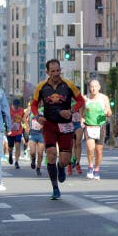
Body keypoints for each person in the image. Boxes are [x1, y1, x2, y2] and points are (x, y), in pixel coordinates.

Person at [30, 59, 86, 200]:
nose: (56, 73)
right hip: (49, 125)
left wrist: (71, 110)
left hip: (65, 126)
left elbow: (81, 101)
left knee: (64, 160)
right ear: (47, 72)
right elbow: (34, 104)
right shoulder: (41, 87)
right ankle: (55, 187)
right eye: (53, 71)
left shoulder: (68, 85)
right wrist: (37, 116)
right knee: (51, 153)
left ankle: (61, 167)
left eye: (58, 70)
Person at [82, 79, 112, 180]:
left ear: (99, 87)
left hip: (100, 126)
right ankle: (90, 166)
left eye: (95, 86)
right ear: (89, 88)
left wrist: (107, 112)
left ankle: (97, 169)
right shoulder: (85, 98)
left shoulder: (104, 98)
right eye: (91, 86)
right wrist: (82, 120)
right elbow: (81, 112)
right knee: (90, 148)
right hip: (89, 125)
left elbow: (109, 111)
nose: (93, 88)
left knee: (99, 151)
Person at [6, 98, 24, 169]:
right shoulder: (8, 110)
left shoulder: (21, 110)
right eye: (15, 106)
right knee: (10, 147)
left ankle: (16, 162)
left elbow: (23, 118)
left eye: (17, 106)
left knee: (18, 146)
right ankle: (10, 154)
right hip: (10, 132)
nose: (16, 108)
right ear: (12, 105)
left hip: (18, 131)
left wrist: (26, 125)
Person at [68, 109, 84, 175]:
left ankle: (78, 163)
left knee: (78, 144)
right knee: (71, 145)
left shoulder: (79, 101)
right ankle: (69, 164)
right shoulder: (67, 99)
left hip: (78, 124)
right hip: (69, 124)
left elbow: (82, 112)